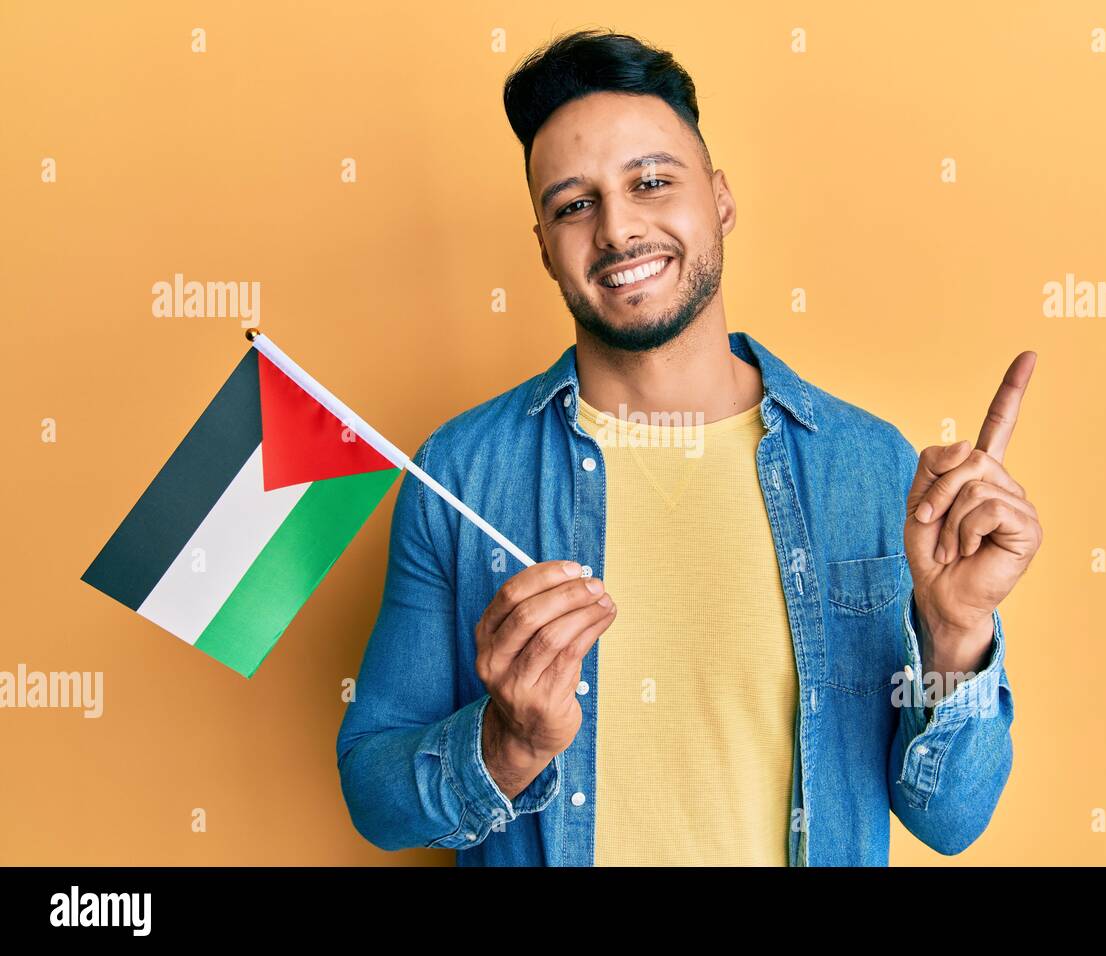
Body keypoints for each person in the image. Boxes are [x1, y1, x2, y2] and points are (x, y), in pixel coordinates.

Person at [336, 28, 1042, 866]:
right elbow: (375, 796)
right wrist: (507, 743)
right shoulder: (460, 473)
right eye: (574, 204)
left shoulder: (870, 466)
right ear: (544, 249)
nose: (618, 229)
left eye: (652, 181)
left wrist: (957, 631)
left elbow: (950, 820)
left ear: (721, 200)